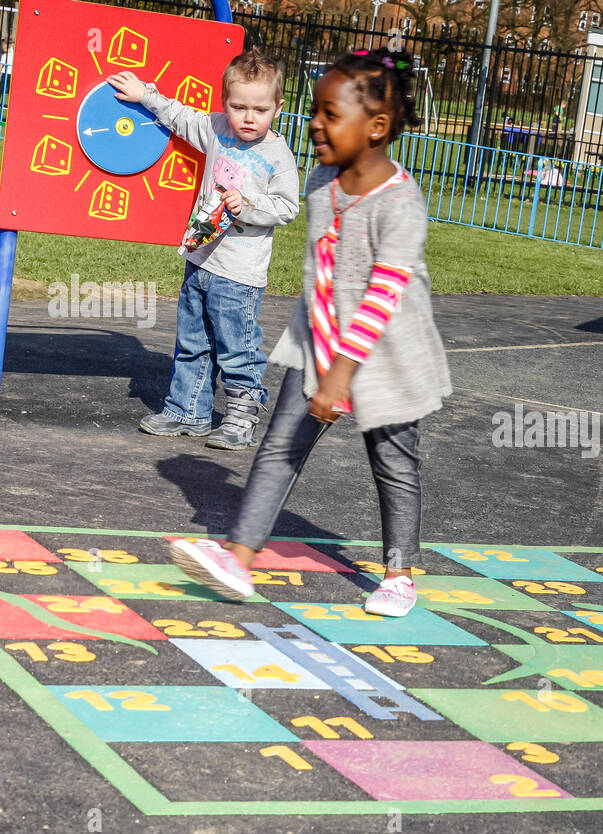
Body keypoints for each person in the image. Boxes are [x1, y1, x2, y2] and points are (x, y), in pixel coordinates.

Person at [167, 47, 451, 618]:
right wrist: (321, 366)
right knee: (279, 448)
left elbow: (382, 297)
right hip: (322, 335)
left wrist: (341, 377)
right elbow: (321, 275)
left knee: (393, 463)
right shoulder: (323, 180)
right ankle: (239, 559)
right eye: (315, 111)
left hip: (391, 352)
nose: (314, 124)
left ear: (375, 127)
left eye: (330, 114)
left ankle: (399, 574)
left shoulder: (402, 203)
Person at [108, 50, 300, 449]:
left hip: (240, 273)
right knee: (192, 341)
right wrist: (144, 94)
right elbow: (178, 116)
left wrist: (247, 205)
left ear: (278, 109)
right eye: (239, 106)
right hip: (200, 258)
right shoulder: (216, 129)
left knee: (237, 348)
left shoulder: (278, 156)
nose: (249, 117)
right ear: (224, 103)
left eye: (260, 109)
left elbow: (287, 208)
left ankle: (240, 419)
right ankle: (187, 411)